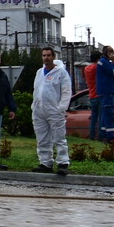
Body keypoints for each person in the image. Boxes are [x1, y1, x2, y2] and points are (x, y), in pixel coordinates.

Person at [31, 47, 73, 175]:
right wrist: (34, 105)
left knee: (59, 137)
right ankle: (45, 162)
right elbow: (36, 90)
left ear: (53, 56)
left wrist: (61, 108)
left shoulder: (61, 73)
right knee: (42, 138)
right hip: (39, 110)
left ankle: (63, 162)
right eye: (44, 55)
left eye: (49, 55)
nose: (46, 58)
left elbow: (66, 91)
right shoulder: (39, 72)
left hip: (54, 110)